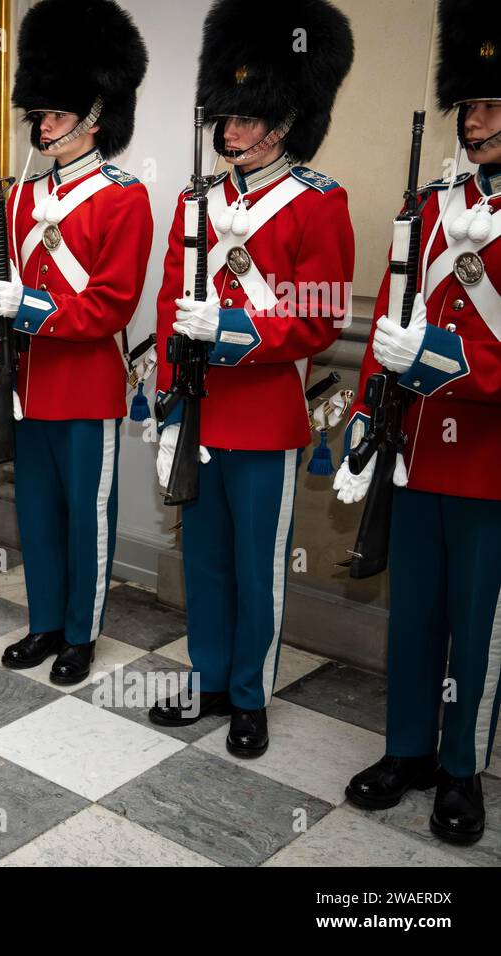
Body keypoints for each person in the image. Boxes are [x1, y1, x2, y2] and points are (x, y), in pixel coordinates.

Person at [149, 0, 355, 758]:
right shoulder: (198, 201)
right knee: (202, 559)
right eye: (224, 116)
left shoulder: (318, 204)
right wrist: (172, 392)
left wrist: (232, 332)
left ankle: (249, 695)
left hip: (265, 415)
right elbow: (173, 297)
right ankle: (206, 678)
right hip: (201, 410)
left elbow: (321, 318)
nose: (228, 131)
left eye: (244, 118)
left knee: (257, 570)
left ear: (281, 121)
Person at [337, 0, 501, 846]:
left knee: (476, 629)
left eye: (491, 107)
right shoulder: (433, 204)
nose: (475, 123)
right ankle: (407, 748)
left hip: (489, 462)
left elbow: (438, 347)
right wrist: (367, 418)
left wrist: (443, 362)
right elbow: (392, 329)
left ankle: (463, 767)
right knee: (414, 619)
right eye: (470, 107)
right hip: (417, 455)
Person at [0, 0, 152, 685]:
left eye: (55, 113)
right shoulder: (21, 195)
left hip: (86, 383)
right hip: (30, 384)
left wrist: (29, 307)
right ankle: (45, 620)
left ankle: (81, 633)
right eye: (40, 113)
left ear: (93, 116)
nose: (42, 124)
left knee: (87, 516)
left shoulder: (123, 196)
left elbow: (111, 305)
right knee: (39, 514)